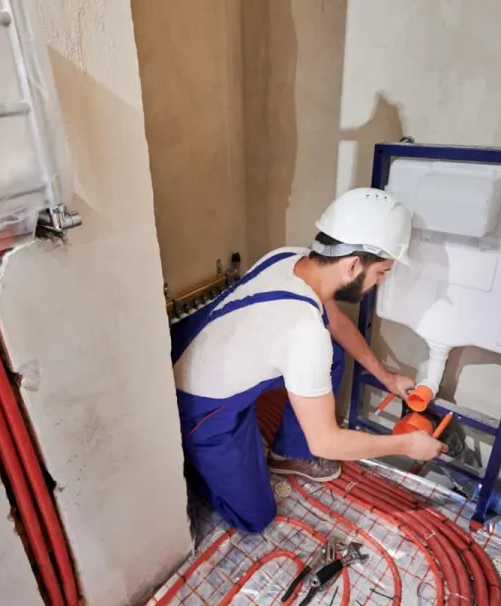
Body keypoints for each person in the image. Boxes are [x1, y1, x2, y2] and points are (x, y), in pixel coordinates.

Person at [171, 187, 447, 533]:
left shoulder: (291, 257)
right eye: (381, 273)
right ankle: (190, 455)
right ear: (352, 266)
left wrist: (386, 378)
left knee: (330, 357)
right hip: (199, 404)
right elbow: (327, 442)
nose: (378, 283)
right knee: (255, 517)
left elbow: (337, 323)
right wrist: (408, 444)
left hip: (190, 347)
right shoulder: (303, 332)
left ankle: (288, 453)